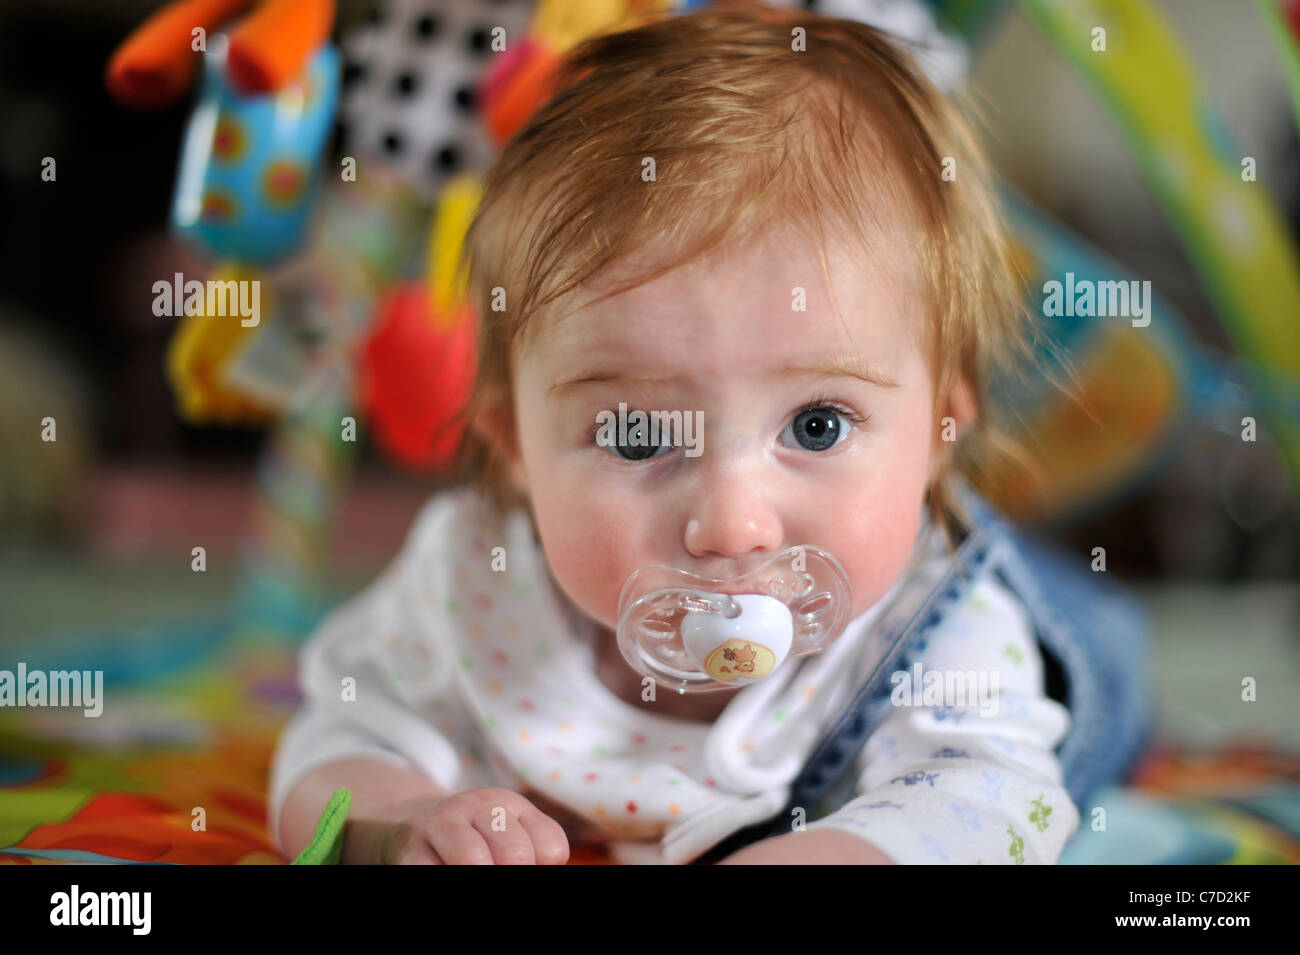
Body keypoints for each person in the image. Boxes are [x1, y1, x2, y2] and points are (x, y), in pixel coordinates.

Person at [270, 2, 1089, 865]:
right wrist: (398, 820)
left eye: (816, 426)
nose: (733, 526)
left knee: (1076, 642)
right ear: (514, 446)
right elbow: (332, 743)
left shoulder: (937, 624)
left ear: (938, 432)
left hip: (1057, 638)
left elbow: (990, 799)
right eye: (633, 434)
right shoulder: (471, 585)